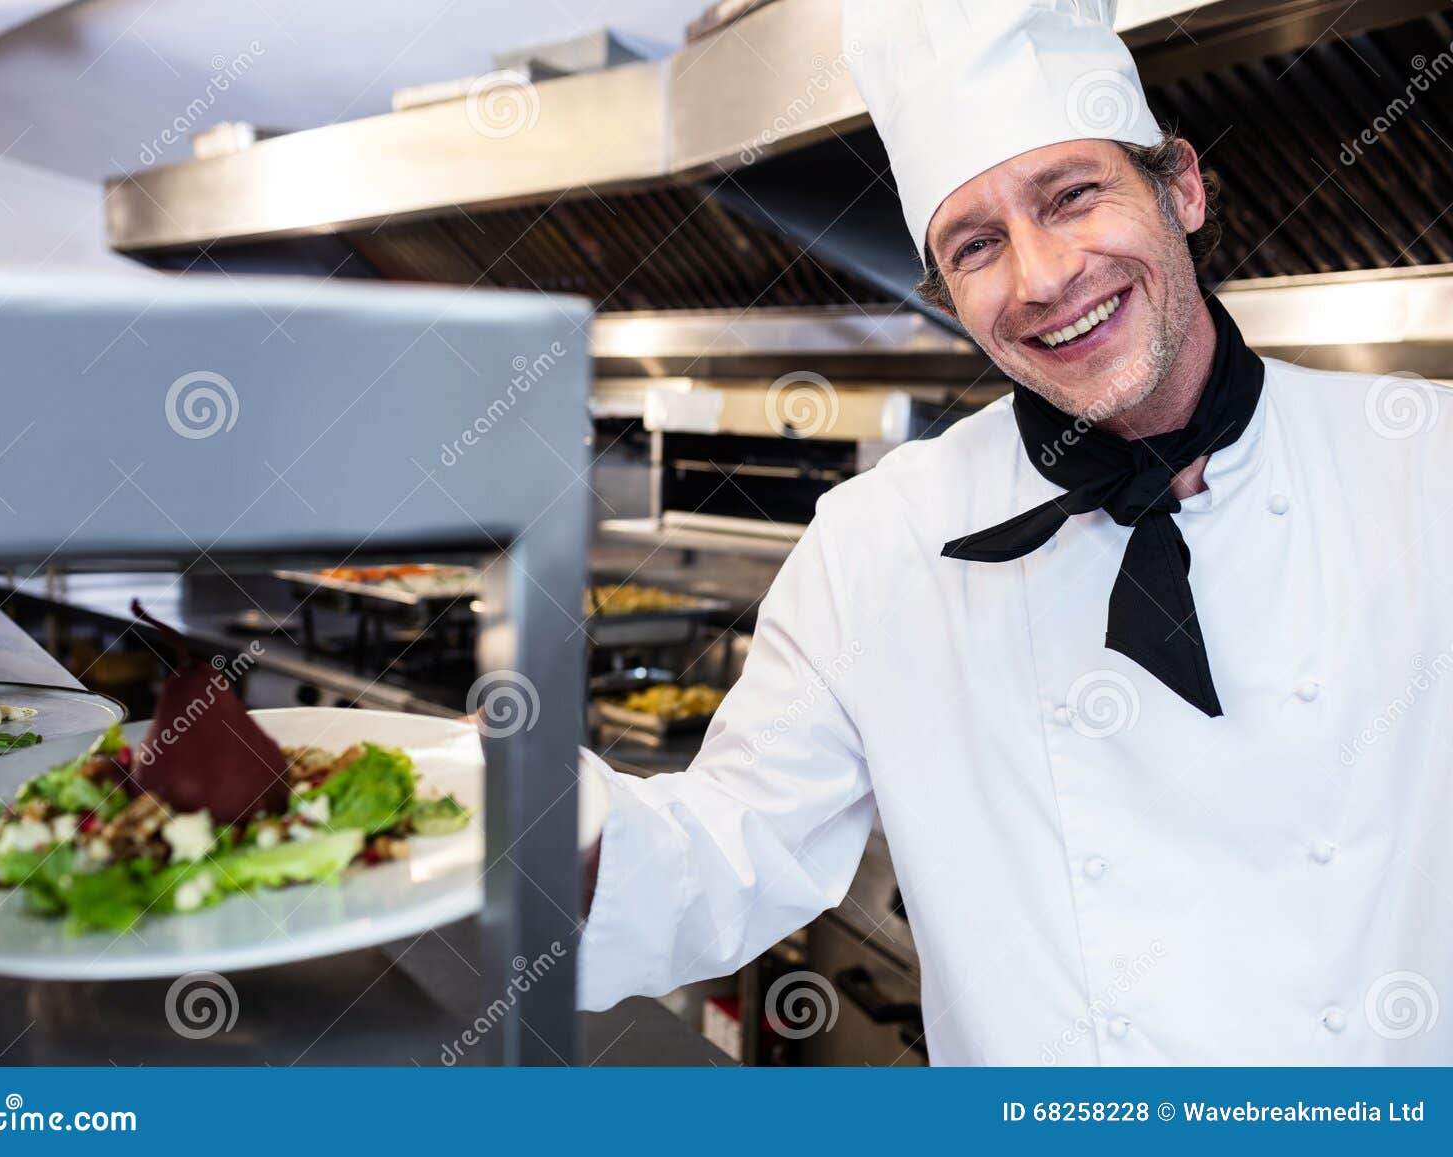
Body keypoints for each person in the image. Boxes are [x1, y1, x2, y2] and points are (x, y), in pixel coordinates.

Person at [577, 0, 1453, 1064]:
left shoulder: (1421, 462)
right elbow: (726, 857)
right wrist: (495, 807)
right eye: (976, 244)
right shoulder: (878, 541)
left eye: (1072, 194)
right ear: (946, 291)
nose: (1042, 279)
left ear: (1179, 185)